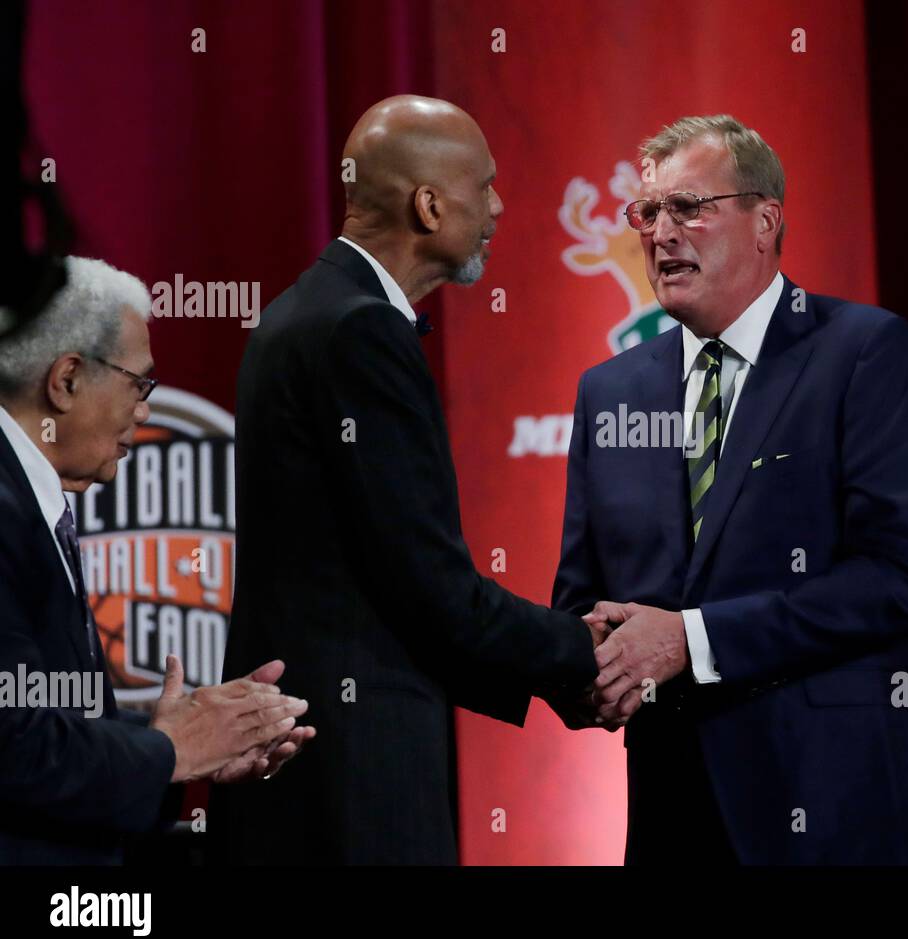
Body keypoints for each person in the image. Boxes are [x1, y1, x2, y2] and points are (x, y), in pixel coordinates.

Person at [552, 115, 908, 864]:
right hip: (677, 816)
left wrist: (691, 640)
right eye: (648, 212)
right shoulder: (609, 392)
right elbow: (584, 595)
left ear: (765, 220)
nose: (660, 233)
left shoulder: (864, 353)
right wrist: (586, 666)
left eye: (689, 207)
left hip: (843, 809)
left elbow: (901, 581)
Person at [213, 96, 601, 864]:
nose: (499, 206)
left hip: (306, 758)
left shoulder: (300, 310)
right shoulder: (360, 330)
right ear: (428, 205)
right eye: (484, 186)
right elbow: (428, 584)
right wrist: (589, 656)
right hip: (357, 775)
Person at [0, 256, 312, 865]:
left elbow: (49, 735)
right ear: (65, 380)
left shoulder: (32, 497)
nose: (144, 411)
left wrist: (175, 750)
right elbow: (14, 744)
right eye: (137, 384)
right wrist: (173, 751)